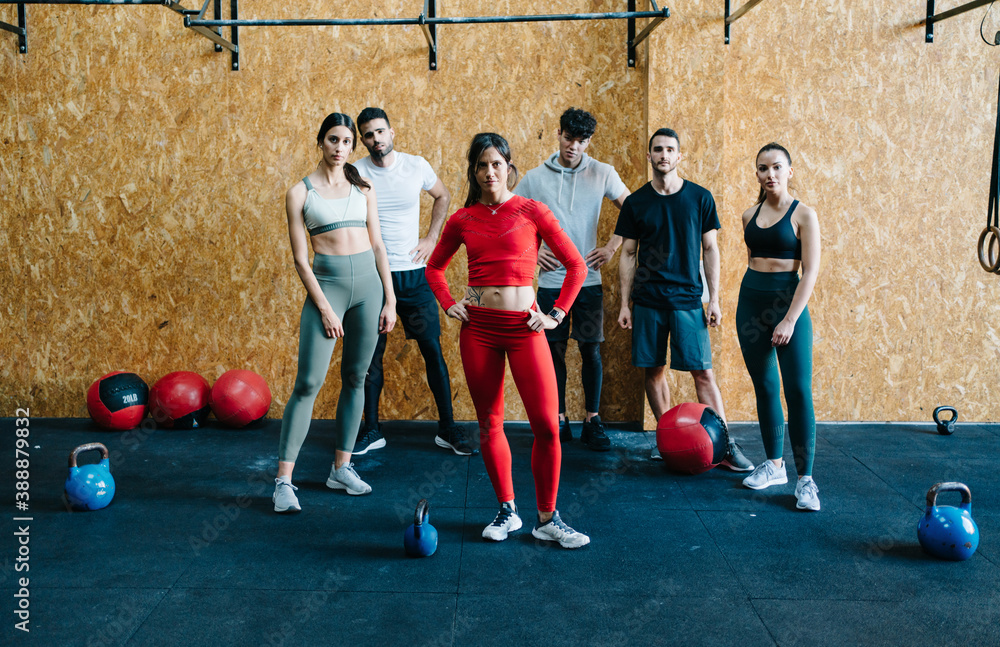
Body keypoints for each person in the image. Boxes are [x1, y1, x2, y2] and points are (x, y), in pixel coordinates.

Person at [425, 133, 591, 548]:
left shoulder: (532, 211)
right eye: (482, 165)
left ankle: (548, 518)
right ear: (474, 172)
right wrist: (448, 303)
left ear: (509, 167)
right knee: (490, 423)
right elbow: (434, 268)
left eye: (496, 163)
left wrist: (555, 315)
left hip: (525, 328)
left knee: (548, 428)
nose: (489, 171)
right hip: (478, 329)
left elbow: (575, 266)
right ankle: (507, 509)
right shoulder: (463, 219)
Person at [272, 113, 397, 514]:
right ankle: (283, 482)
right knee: (308, 383)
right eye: (333, 140)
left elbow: (379, 248)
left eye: (347, 141)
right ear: (320, 142)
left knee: (356, 378)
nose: (340, 147)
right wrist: (325, 309)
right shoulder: (299, 193)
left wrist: (390, 300)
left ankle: (341, 467)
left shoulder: (364, 187)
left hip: (370, 291)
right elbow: (300, 260)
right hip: (328, 291)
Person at [616, 128, 752, 470]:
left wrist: (714, 300)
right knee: (654, 370)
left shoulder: (700, 198)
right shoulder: (636, 203)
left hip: (688, 301)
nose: (664, 155)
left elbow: (710, 249)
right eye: (658, 149)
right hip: (647, 301)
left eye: (670, 150)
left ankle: (724, 446)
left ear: (680, 157)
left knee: (703, 373)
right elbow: (628, 253)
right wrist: (623, 304)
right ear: (650, 156)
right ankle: (668, 440)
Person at [352, 107, 477, 457]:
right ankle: (372, 430)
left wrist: (431, 237)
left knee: (432, 352)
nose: (375, 139)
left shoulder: (416, 166)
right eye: (368, 135)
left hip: (414, 278)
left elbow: (443, 195)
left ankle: (447, 429)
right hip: (376, 280)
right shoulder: (356, 172)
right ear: (363, 140)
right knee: (371, 358)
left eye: (379, 132)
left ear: (392, 132)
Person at [514, 107, 630, 452]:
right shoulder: (535, 178)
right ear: (558, 134)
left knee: (591, 351)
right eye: (569, 138)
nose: (574, 146)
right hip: (551, 282)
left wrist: (612, 246)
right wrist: (533, 255)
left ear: (589, 141)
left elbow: (634, 210)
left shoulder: (603, 172)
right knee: (554, 352)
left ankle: (592, 419)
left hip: (588, 281)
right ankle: (558, 416)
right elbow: (511, 219)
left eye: (582, 141)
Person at [736, 143, 821, 511]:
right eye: (762, 168)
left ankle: (806, 480)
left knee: (798, 391)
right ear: (756, 174)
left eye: (776, 167)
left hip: (788, 305)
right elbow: (754, 261)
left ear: (790, 171)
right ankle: (774, 465)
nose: (769, 174)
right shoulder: (748, 215)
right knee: (765, 386)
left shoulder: (804, 215)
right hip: (751, 303)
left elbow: (810, 272)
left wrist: (789, 319)